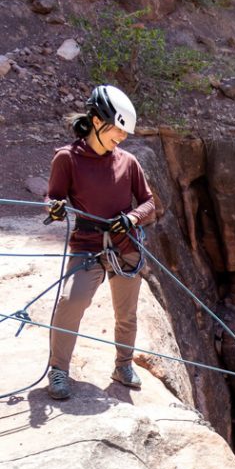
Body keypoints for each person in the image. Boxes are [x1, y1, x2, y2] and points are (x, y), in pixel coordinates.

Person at [45, 84, 155, 401]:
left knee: (127, 313)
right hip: (88, 244)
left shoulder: (128, 162)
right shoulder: (67, 158)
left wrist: (132, 218)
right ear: (97, 121)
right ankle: (59, 370)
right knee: (71, 301)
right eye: (117, 130)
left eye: (124, 133)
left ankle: (123, 366)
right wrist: (54, 208)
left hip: (125, 245)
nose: (121, 138)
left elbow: (148, 203)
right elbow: (54, 196)